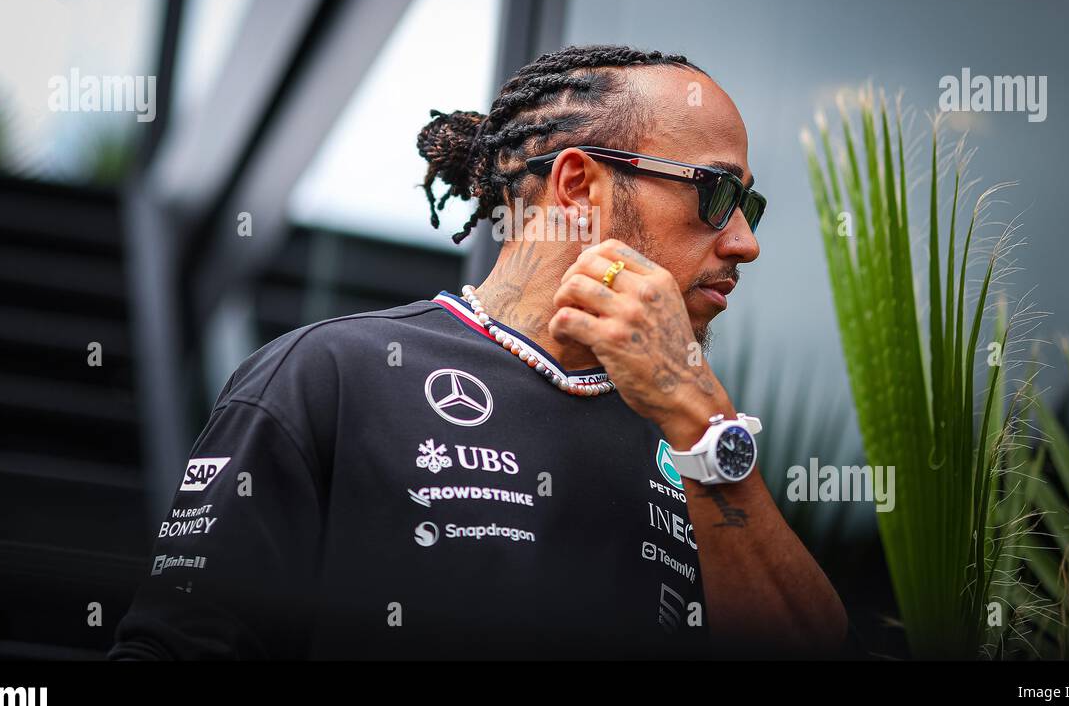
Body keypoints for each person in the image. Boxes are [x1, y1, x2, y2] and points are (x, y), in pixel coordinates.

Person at [109, 44, 847, 659]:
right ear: (579, 185)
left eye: (747, 207)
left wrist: (701, 420)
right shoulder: (332, 374)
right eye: (717, 193)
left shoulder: (700, 440)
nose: (744, 242)